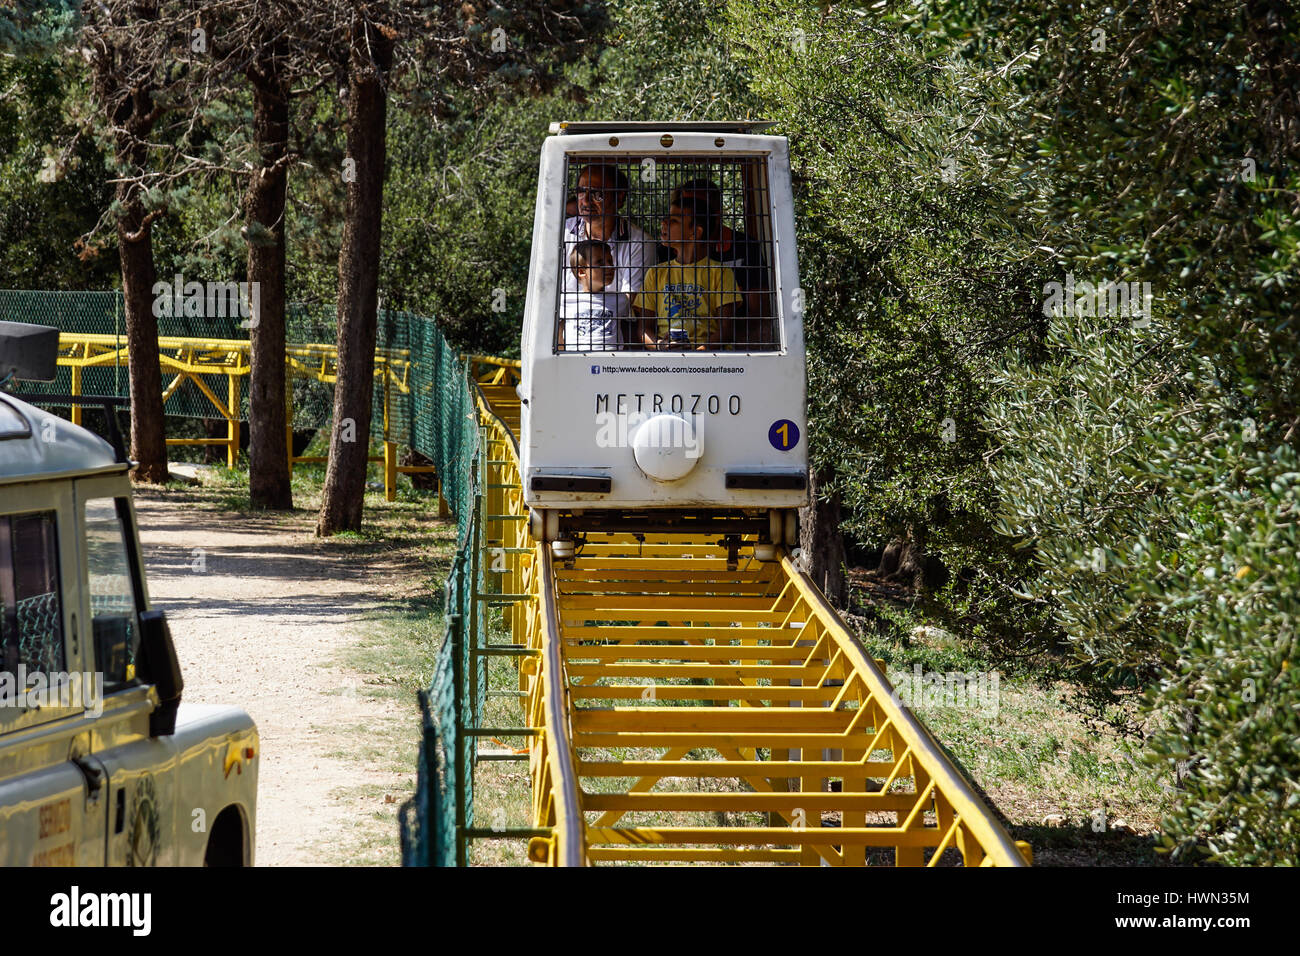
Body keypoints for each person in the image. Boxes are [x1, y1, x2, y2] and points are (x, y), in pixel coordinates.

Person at [672, 179, 773, 346]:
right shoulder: (668, 250)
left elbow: (759, 311)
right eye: (682, 208)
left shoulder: (744, 247)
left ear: (716, 214)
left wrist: (719, 338)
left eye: (696, 208)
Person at [632, 194, 740, 350]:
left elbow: (727, 331)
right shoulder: (656, 273)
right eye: (666, 218)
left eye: (673, 221)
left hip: (711, 359)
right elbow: (643, 330)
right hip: (668, 357)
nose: (664, 223)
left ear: (695, 232)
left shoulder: (721, 272)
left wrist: (697, 352)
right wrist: (661, 346)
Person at [562, 163, 656, 302]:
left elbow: (629, 304)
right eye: (581, 191)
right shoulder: (562, 232)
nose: (586, 201)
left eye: (597, 194)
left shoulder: (639, 243)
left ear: (618, 198)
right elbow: (548, 290)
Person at [558, 240, 626, 350]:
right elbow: (559, 333)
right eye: (600, 263)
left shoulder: (620, 300)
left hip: (611, 363)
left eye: (610, 261)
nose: (609, 267)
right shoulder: (566, 300)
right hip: (574, 360)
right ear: (581, 271)